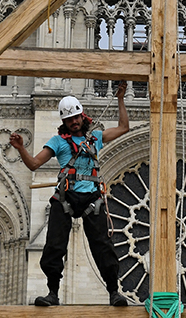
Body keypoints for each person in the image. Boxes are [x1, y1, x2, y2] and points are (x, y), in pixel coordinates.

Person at [10, 82, 131, 307]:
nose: (73, 122)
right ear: (64, 122)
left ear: (82, 116)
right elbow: (34, 164)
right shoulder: (58, 142)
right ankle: (53, 293)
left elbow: (124, 127)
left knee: (103, 246)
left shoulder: (95, 138)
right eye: (69, 119)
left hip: (92, 198)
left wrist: (120, 99)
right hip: (65, 198)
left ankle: (114, 292)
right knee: (54, 245)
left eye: (76, 117)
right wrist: (21, 148)